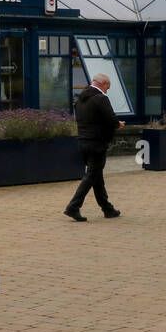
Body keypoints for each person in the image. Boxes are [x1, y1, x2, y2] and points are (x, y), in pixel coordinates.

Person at [64, 73, 123, 221]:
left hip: (83, 141)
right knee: (91, 176)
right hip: (97, 143)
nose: (107, 91)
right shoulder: (101, 99)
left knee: (97, 176)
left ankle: (107, 209)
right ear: (103, 84)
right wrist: (118, 124)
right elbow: (110, 119)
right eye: (107, 88)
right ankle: (73, 207)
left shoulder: (80, 99)